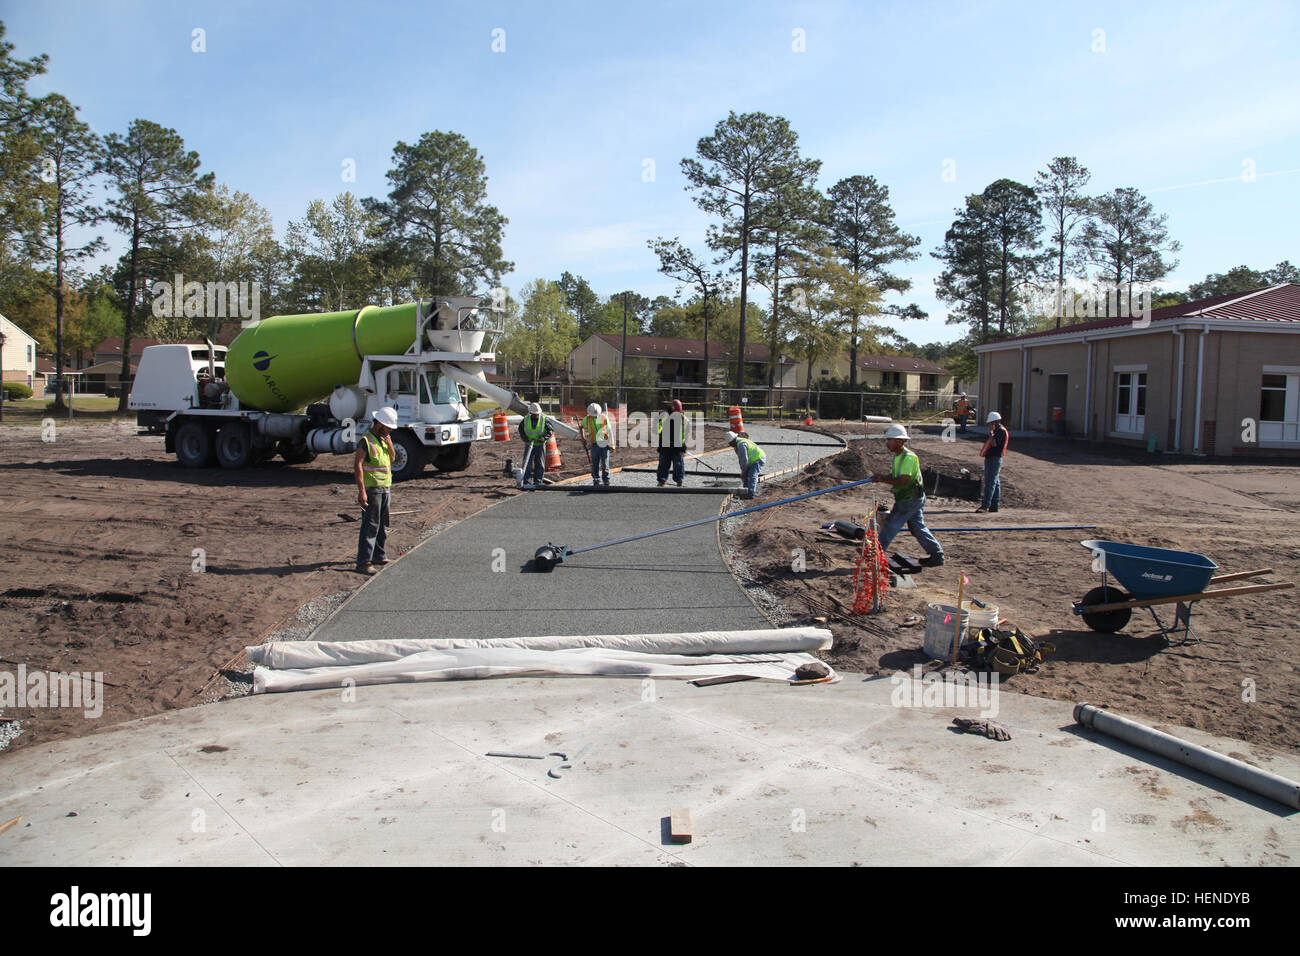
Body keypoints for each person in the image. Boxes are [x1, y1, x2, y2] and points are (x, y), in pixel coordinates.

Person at [872, 423, 944, 567]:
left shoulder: (908, 458)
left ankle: (877, 556)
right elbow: (895, 476)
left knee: (890, 526)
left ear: (899, 441)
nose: (887, 443)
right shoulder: (898, 457)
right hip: (910, 498)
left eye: (889, 440)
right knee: (917, 527)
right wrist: (882, 477)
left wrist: (882, 479)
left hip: (909, 499)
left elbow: (903, 480)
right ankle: (937, 555)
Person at [355, 406, 398, 575]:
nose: (389, 430)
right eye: (388, 427)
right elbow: (357, 465)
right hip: (372, 488)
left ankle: (379, 555)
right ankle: (363, 562)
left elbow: (392, 458)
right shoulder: (366, 441)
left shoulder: (383, 439)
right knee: (370, 525)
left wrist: (390, 443)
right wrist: (361, 491)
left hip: (385, 487)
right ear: (379, 423)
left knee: (382, 524)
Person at [976, 411, 1009, 513]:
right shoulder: (998, 431)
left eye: (990, 423)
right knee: (995, 482)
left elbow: (994, 444)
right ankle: (994, 505)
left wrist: (991, 434)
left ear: (995, 422)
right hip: (992, 459)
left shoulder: (1001, 432)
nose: (989, 425)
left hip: (994, 459)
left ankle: (985, 505)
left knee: (990, 483)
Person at [581, 402, 616, 487]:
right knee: (595, 463)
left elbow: (610, 431)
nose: (595, 416)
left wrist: (612, 443)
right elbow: (581, 426)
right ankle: (596, 479)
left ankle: (606, 480)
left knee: (605, 463)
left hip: (605, 444)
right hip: (594, 444)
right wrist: (583, 437)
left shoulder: (604, 418)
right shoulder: (587, 419)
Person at [518, 402, 553, 487]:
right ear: (530, 413)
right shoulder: (526, 420)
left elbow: (550, 430)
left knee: (539, 463)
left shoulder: (544, 419)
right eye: (534, 414)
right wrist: (524, 437)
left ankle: (538, 481)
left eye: (536, 414)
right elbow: (521, 429)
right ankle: (527, 481)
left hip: (540, 445)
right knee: (527, 463)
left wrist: (544, 438)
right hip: (529, 444)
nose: (535, 415)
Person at [656, 398, 689, 487]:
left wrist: (683, 445)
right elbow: (658, 430)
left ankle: (679, 481)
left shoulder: (683, 419)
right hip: (665, 446)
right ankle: (662, 481)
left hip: (677, 446)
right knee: (664, 463)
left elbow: (685, 433)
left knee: (678, 464)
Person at [727, 431, 765, 498]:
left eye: (730, 443)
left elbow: (744, 460)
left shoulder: (741, 445)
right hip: (752, 460)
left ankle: (750, 493)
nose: (729, 445)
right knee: (745, 475)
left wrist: (744, 471)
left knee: (752, 475)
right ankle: (745, 491)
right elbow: (741, 459)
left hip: (758, 458)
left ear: (733, 440)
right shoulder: (737, 445)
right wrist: (743, 471)